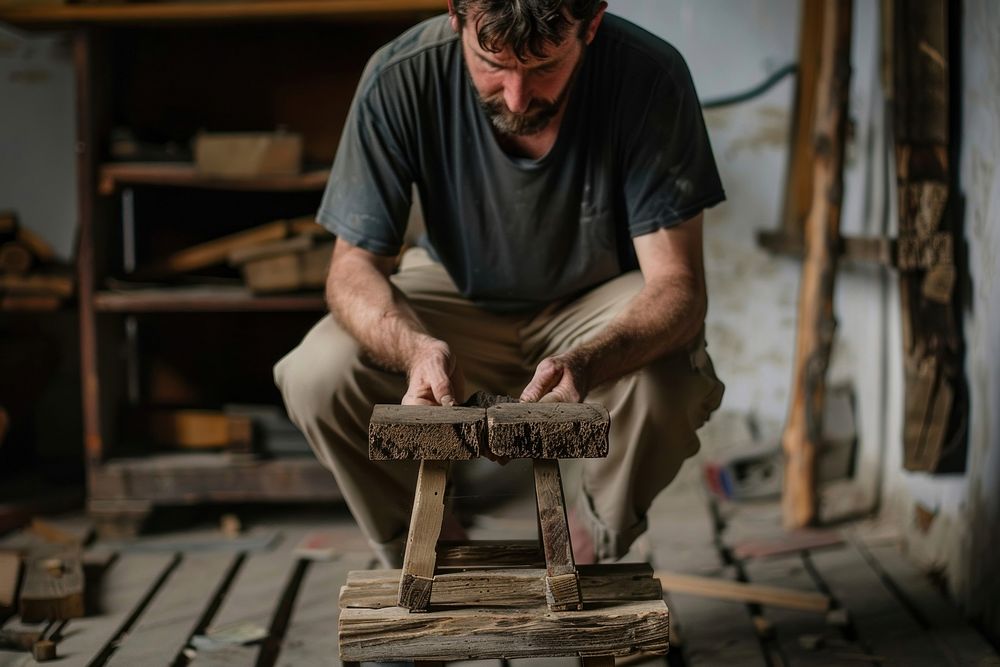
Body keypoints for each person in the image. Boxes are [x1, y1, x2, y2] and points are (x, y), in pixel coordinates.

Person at [275, 0, 726, 568]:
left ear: (591, 25)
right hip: (454, 290)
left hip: (593, 300)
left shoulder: (648, 74)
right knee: (317, 374)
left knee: (669, 380)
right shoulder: (400, 73)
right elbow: (352, 269)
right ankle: (436, 550)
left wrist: (589, 361)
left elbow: (677, 285)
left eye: (545, 67)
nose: (516, 98)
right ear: (456, 16)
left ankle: (586, 545)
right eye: (492, 65)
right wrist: (413, 350)